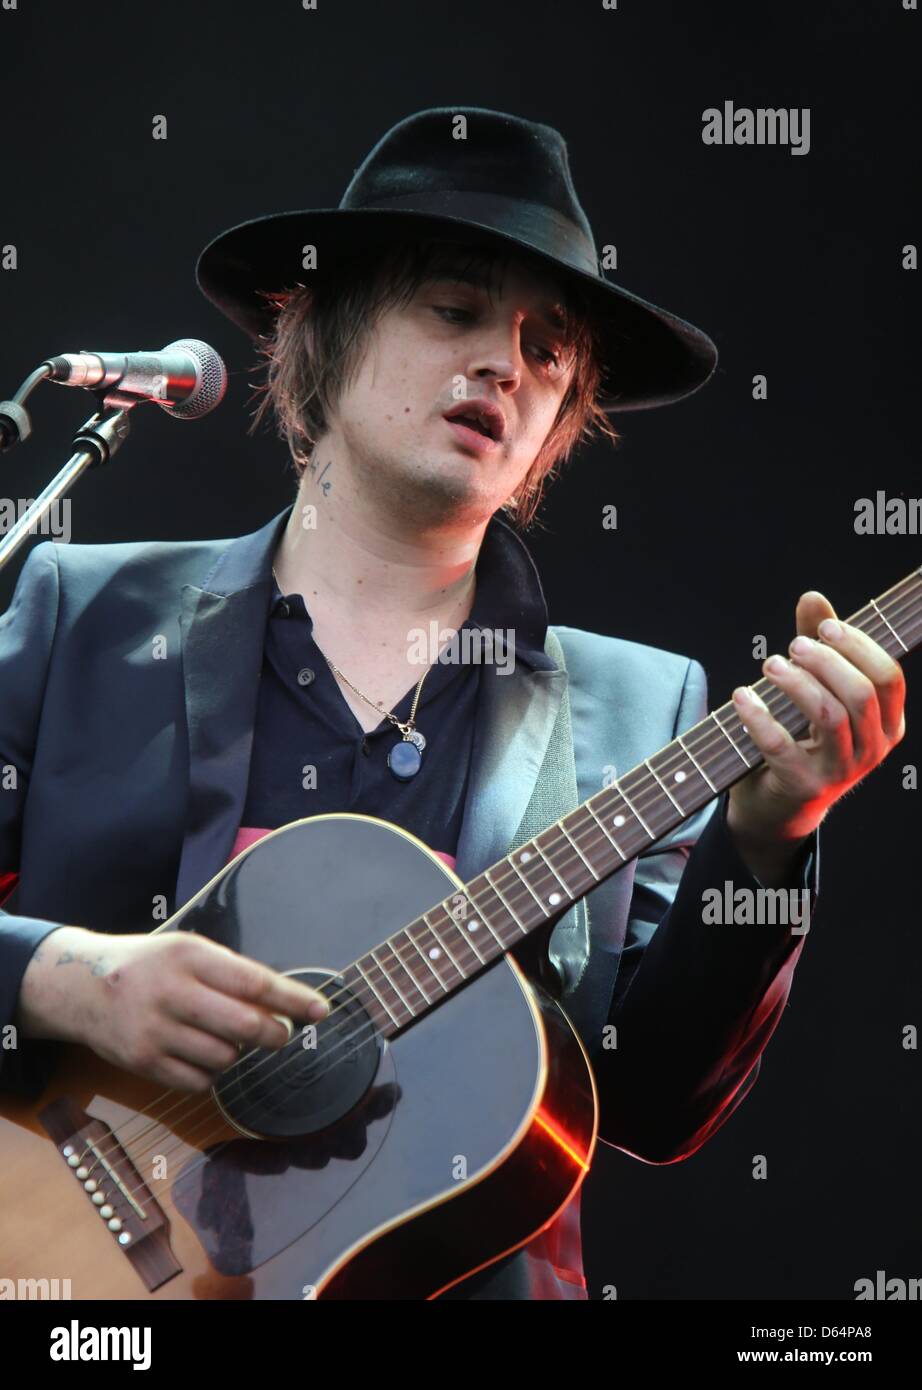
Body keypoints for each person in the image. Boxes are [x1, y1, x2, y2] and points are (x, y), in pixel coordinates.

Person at [0, 107, 905, 1300]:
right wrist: (73, 977)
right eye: (454, 309)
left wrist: (770, 836)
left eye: (549, 348)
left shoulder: (644, 707)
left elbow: (653, 1102)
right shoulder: (81, 611)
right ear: (318, 320)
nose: (505, 365)